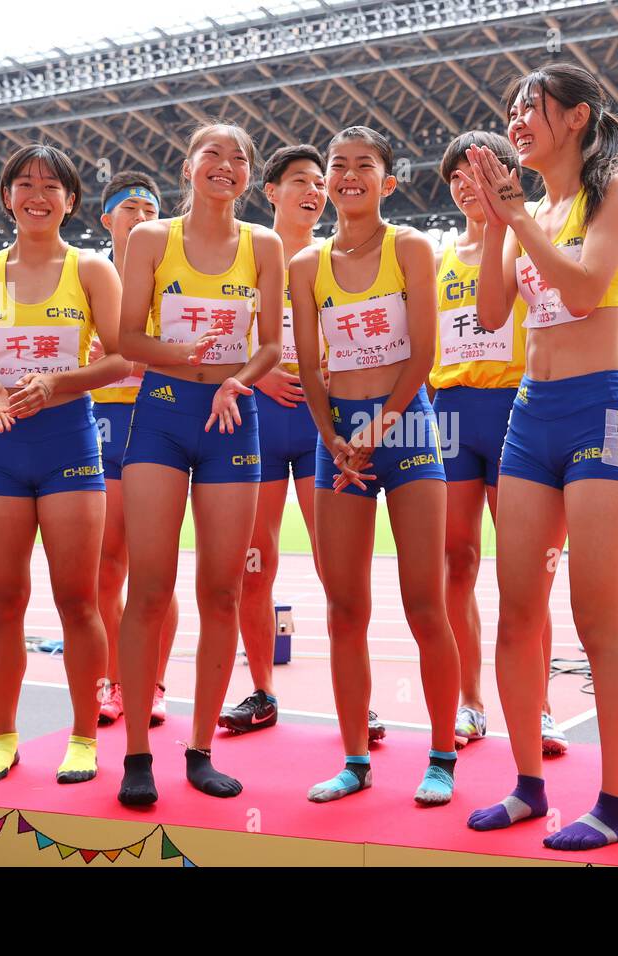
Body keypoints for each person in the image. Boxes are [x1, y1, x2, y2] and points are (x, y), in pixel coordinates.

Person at [460, 63, 618, 850]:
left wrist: (520, 220)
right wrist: (503, 221)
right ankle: (529, 786)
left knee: (597, 617)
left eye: (529, 107)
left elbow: (581, 292)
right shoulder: (530, 210)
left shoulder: (615, 194)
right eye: (508, 109)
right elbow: (493, 312)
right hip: (528, 416)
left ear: (577, 117)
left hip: (600, 409)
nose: (514, 119)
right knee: (517, 616)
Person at [288, 126, 462, 805]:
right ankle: (355, 758)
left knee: (425, 601)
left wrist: (378, 426)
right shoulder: (307, 266)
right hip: (337, 440)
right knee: (343, 608)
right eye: (338, 165)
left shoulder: (411, 247)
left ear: (388, 182)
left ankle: (443, 755)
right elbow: (308, 365)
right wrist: (334, 439)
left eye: (366, 165)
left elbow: (422, 354)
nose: (349, 174)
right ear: (326, 180)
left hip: (408, 426)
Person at [0, 144, 125, 784]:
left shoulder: (93, 271)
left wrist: (59, 382)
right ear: (7, 196)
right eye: (25, 183)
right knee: (4, 602)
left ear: (70, 201)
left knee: (79, 601)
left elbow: (123, 360)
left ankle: (82, 737)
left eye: (51, 185)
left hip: (69, 444)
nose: (37, 193)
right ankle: (2, 737)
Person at [114, 124, 284, 805]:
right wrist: (193, 361)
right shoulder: (151, 241)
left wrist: (236, 376)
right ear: (188, 167)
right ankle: (134, 754)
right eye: (213, 152)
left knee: (223, 591)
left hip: (232, 417)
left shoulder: (264, 246)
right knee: (150, 588)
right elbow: (127, 336)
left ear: (247, 178)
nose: (227, 164)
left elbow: (270, 345)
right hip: (162, 413)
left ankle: (201, 748)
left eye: (240, 157)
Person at [218, 144, 389, 745]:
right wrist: (255, 370)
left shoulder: (336, 256)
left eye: (321, 182)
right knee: (254, 563)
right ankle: (263, 691)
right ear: (270, 193)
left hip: (325, 421)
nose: (315, 191)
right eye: (300, 182)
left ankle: (357, 700)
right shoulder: (244, 254)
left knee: (335, 565)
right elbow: (210, 334)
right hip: (259, 418)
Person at [428, 130, 567, 754]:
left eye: (477, 172)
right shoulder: (438, 259)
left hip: (519, 404)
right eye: (455, 176)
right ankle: (470, 701)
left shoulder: (532, 234)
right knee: (456, 562)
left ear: (508, 176)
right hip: (453, 411)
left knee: (527, 571)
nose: (466, 185)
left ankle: (536, 708)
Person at [90, 171, 180, 728]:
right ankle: (113, 681)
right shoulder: (86, 276)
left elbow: (188, 350)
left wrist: (138, 354)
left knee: (154, 567)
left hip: (155, 419)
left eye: (151, 207)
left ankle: (156, 680)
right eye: (131, 208)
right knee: (105, 565)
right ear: (108, 220)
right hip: (99, 423)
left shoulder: (172, 277)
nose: (143, 215)